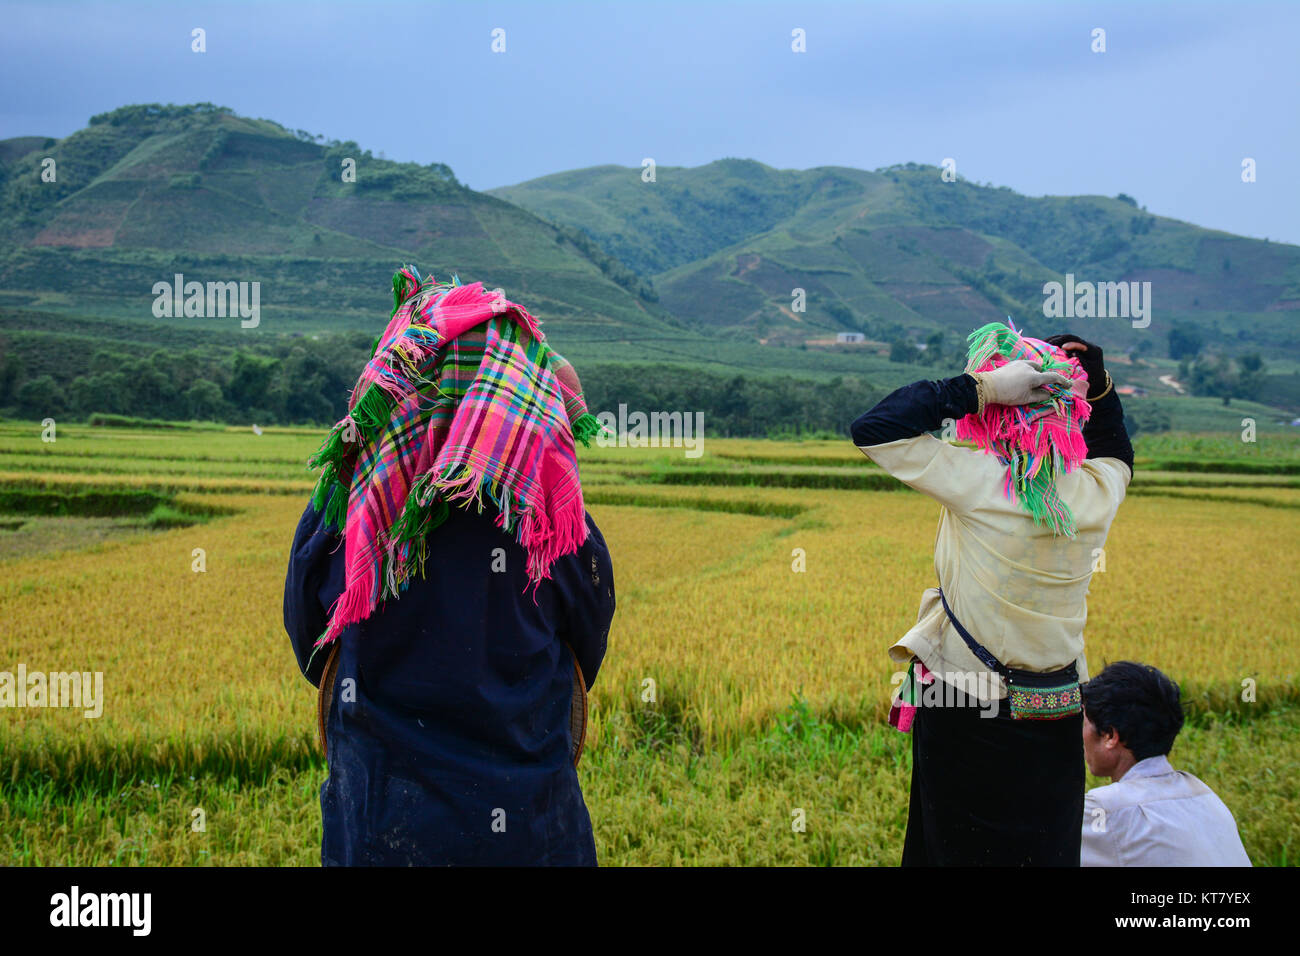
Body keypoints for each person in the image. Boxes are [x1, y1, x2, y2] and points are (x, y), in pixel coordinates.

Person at [284, 267, 616, 866]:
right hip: (532, 834)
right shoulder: (547, 511)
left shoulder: (354, 507)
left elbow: (308, 636)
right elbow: (588, 644)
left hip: (380, 829)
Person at [851, 322, 1133, 866]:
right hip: (1057, 710)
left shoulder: (979, 479)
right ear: (1071, 416)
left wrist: (983, 389)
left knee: (950, 847)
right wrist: (1098, 384)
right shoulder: (1097, 491)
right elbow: (1116, 448)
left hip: (962, 704)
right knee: (1043, 849)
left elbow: (877, 426)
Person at [1080, 661, 1251, 866]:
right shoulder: (1206, 796)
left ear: (1110, 735)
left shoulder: (1104, 810)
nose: (1079, 736)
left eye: (1083, 722)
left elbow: (1039, 846)